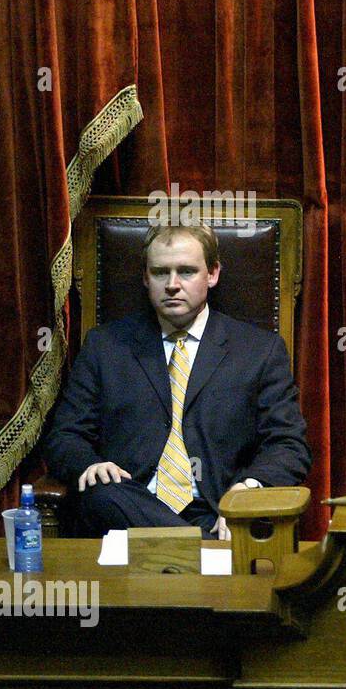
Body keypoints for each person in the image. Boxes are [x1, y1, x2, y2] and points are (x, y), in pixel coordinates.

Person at [42, 221, 311, 539]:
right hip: (126, 507)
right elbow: (65, 436)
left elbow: (288, 445)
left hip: (215, 510)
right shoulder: (105, 346)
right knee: (102, 493)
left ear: (212, 274)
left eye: (186, 271)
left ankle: (184, 544)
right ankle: (201, 550)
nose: (172, 284)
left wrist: (246, 490)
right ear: (145, 277)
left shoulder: (259, 351)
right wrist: (88, 465)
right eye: (160, 272)